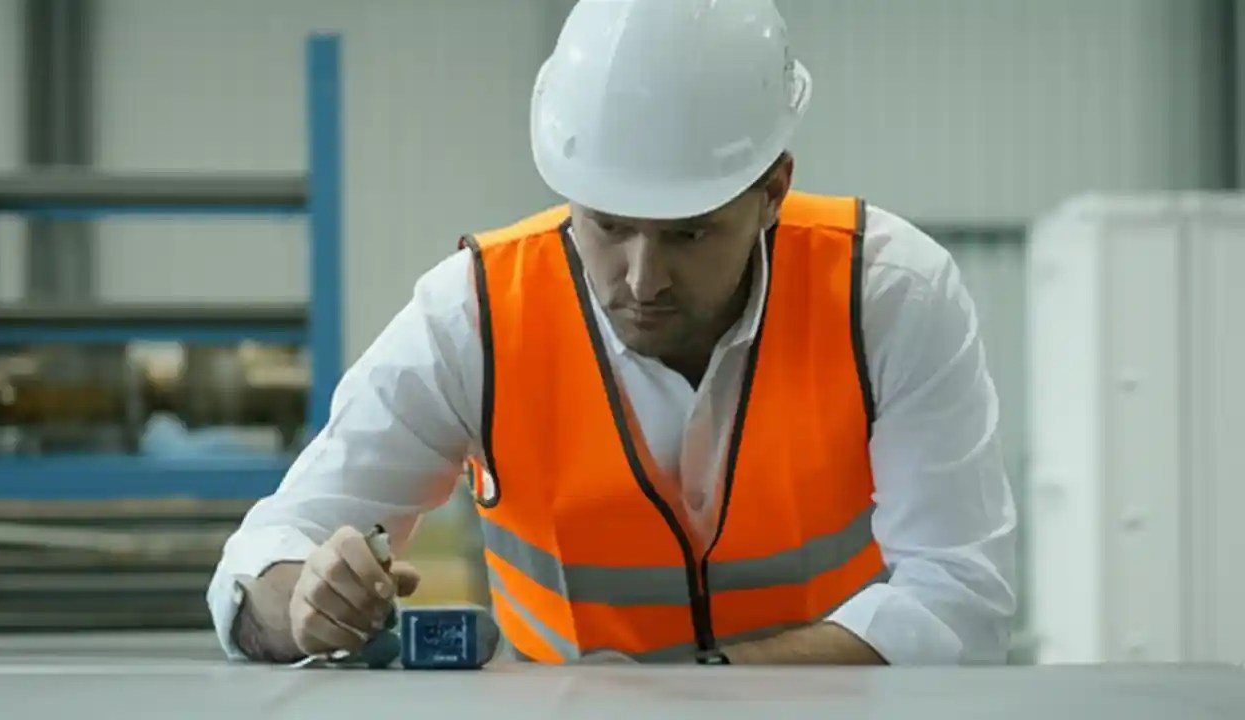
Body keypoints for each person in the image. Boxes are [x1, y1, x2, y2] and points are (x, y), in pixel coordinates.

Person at [208, 0, 1016, 666]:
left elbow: (959, 599)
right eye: (608, 226)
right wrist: (306, 601)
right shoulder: (474, 319)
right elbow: (266, 554)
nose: (641, 278)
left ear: (773, 190)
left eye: (688, 235)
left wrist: (699, 692)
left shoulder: (887, 295)